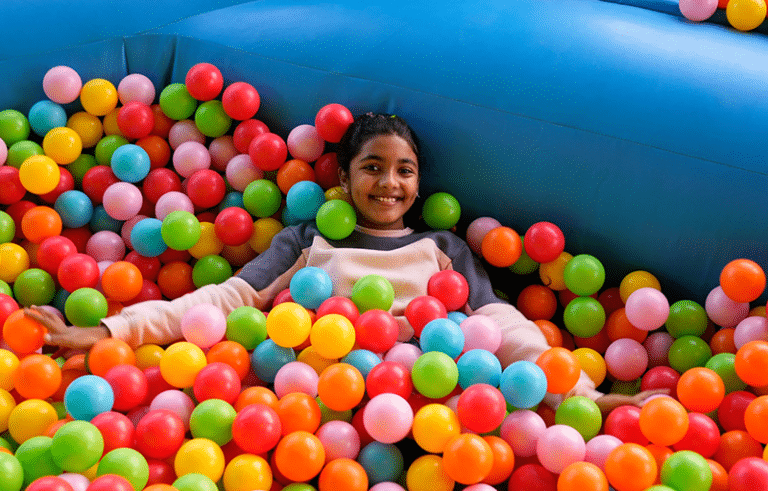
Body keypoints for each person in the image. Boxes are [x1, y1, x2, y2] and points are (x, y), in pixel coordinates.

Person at [26, 112, 662, 412]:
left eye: (404, 171)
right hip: (312, 404)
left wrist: (582, 395)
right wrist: (111, 330)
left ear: (420, 185)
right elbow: (221, 305)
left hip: (441, 399)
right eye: (373, 167)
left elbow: (503, 325)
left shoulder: (441, 250)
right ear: (345, 178)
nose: (389, 183)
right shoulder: (307, 243)